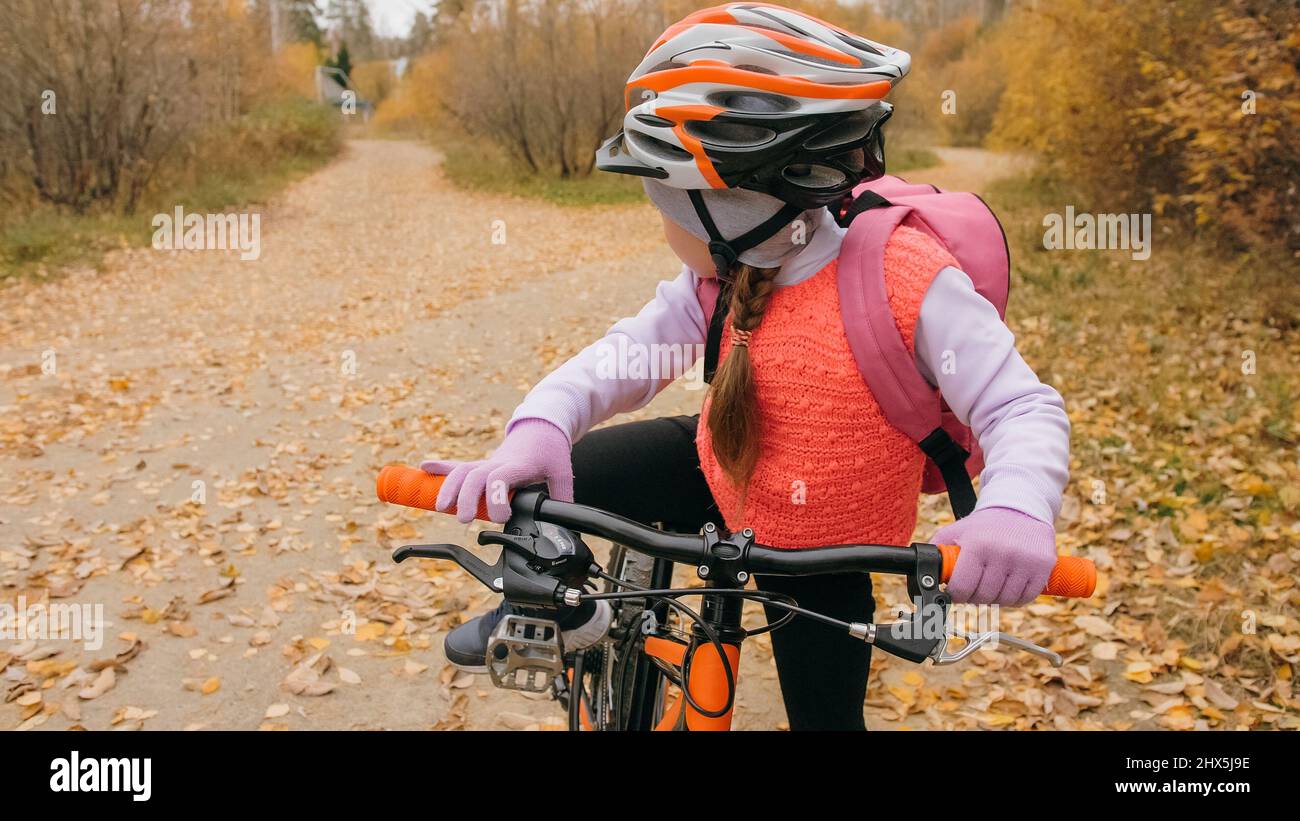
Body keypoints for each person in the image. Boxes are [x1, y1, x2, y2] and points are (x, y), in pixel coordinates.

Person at [422, 3, 1070, 730]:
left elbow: (1021, 406)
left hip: (827, 558)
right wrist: (539, 422)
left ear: (731, 210)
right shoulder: (723, 276)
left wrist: (1015, 505)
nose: (662, 225)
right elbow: (625, 354)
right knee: (580, 464)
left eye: (667, 204)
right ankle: (552, 603)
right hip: (723, 471)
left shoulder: (903, 277)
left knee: (827, 719)